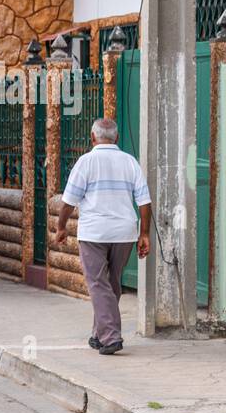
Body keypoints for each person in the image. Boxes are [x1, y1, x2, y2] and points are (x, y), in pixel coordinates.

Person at [54, 117, 152, 356]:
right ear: (116, 138)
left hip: (94, 232)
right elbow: (144, 201)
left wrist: (61, 226)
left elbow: (69, 201)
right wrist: (144, 233)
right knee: (112, 283)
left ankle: (110, 337)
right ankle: (99, 333)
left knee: (98, 284)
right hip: (124, 232)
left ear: (92, 137)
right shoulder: (129, 162)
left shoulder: (85, 162)